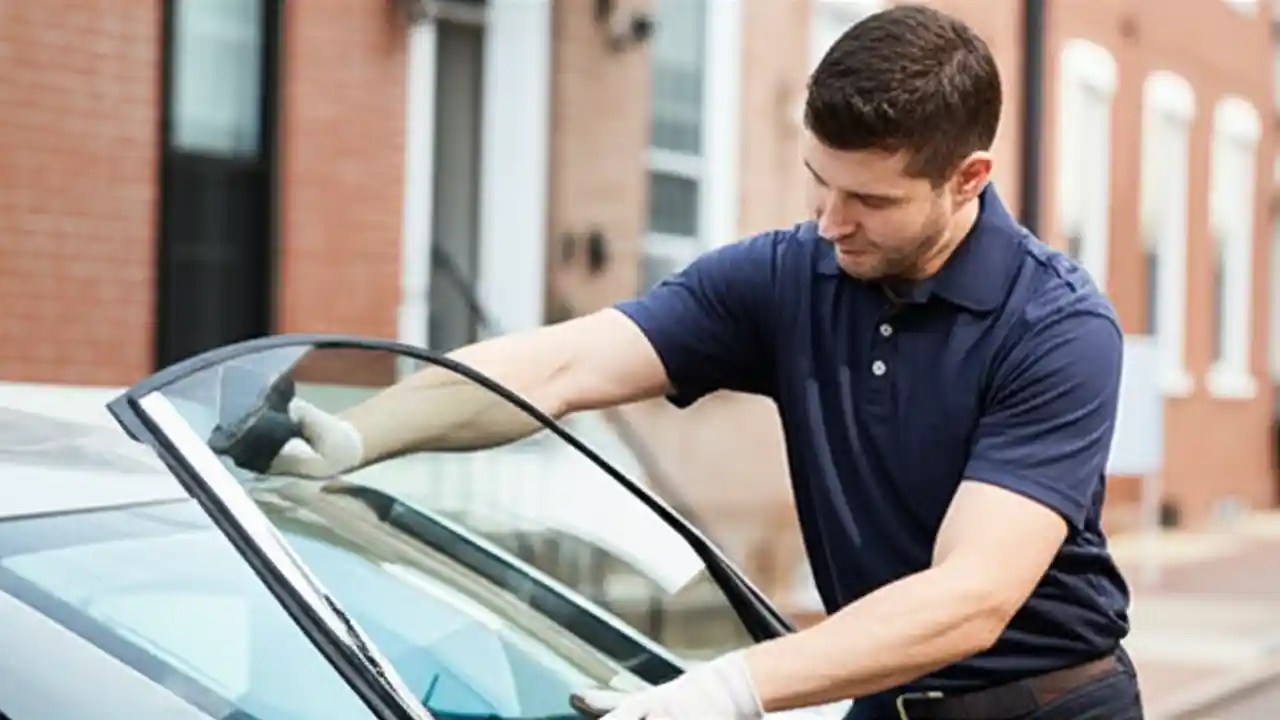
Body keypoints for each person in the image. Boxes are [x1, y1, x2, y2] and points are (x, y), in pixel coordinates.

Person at [241, 4, 1143, 719]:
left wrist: (726, 689)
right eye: (816, 180)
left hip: (1051, 708)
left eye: (869, 198)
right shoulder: (790, 276)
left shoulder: (1056, 328)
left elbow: (971, 597)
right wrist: (356, 438)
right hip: (883, 701)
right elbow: (561, 366)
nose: (831, 222)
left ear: (969, 178)